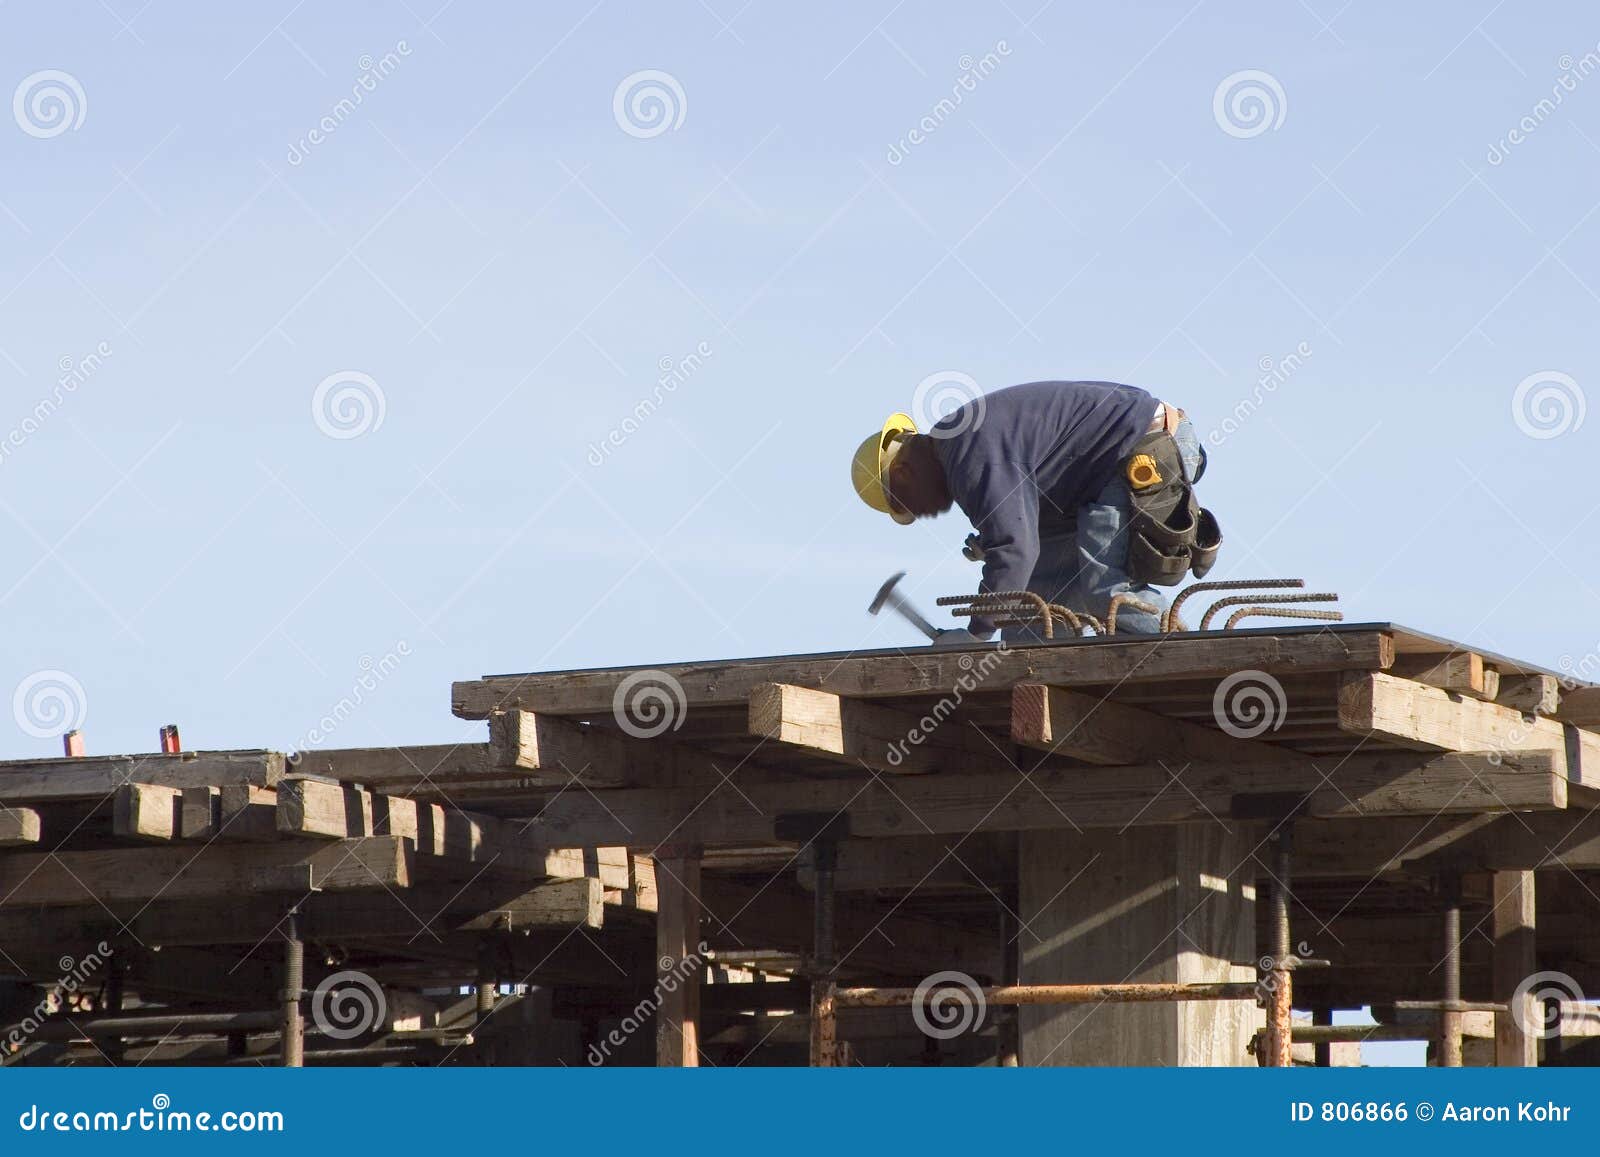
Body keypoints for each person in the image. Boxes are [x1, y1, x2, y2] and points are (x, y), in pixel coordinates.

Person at [849, 380, 1220, 640]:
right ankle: (1049, 684)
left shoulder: (967, 454)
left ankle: (1184, 653)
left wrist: (975, 636)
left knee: (1107, 589)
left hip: (1143, 446)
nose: (923, 514)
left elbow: (1016, 550)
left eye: (908, 505)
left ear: (904, 472)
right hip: (1101, 474)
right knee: (1028, 614)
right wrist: (997, 541)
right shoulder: (960, 448)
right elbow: (1025, 528)